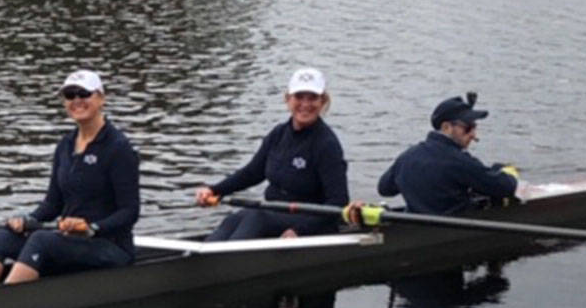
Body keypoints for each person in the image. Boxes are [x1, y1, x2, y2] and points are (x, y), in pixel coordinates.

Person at [0, 70, 139, 289]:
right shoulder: (65, 146)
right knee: (2, 237)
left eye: (84, 93)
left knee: (41, 240)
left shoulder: (118, 147)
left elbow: (129, 212)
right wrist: (27, 220)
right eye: (70, 95)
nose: (76, 100)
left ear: (101, 99)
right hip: (72, 242)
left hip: (110, 246)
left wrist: (92, 228)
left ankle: (0, 305)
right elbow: (52, 204)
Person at [195, 68, 350, 241]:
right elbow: (252, 173)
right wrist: (215, 190)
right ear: (288, 99)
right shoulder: (278, 134)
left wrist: (299, 231)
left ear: (322, 101)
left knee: (256, 218)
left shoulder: (326, 144)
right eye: (299, 97)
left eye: (312, 98)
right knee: (233, 220)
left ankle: (228, 256)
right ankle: (205, 254)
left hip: (309, 221)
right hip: (274, 213)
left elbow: (338, 202)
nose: (305, 104)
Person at [376, 94, 519, 216]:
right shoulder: (460, 161)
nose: (473, 135)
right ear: (446, 127)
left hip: (415, 227)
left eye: (475, 127)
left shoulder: (407, 156)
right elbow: (506, 187)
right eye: (468, 128)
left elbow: (384, 189)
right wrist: (507, 174)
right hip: (455, 231)